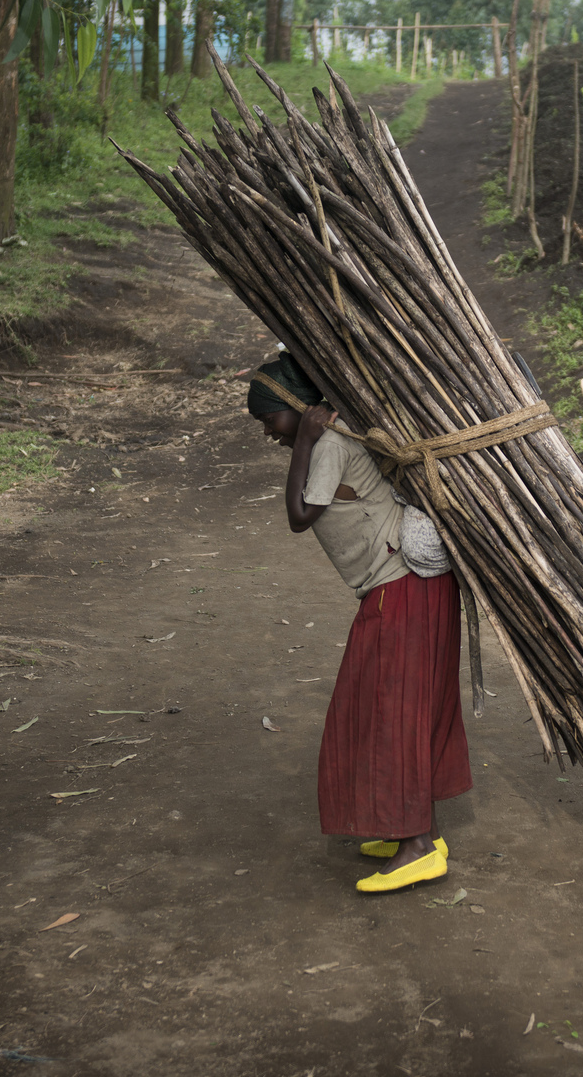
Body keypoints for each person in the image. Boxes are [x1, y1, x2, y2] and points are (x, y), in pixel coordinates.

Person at [247, 352, 471, 893]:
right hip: (413, 585)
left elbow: (300, 517)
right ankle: (420, 832)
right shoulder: (335, 439)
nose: (269, 435)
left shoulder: (327, 444)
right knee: (403, 707)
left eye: (271, 421)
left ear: (299, 412)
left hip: (403, 588)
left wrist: (303, 439)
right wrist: (301, 436)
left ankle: (417, 846)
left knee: (387, 710)